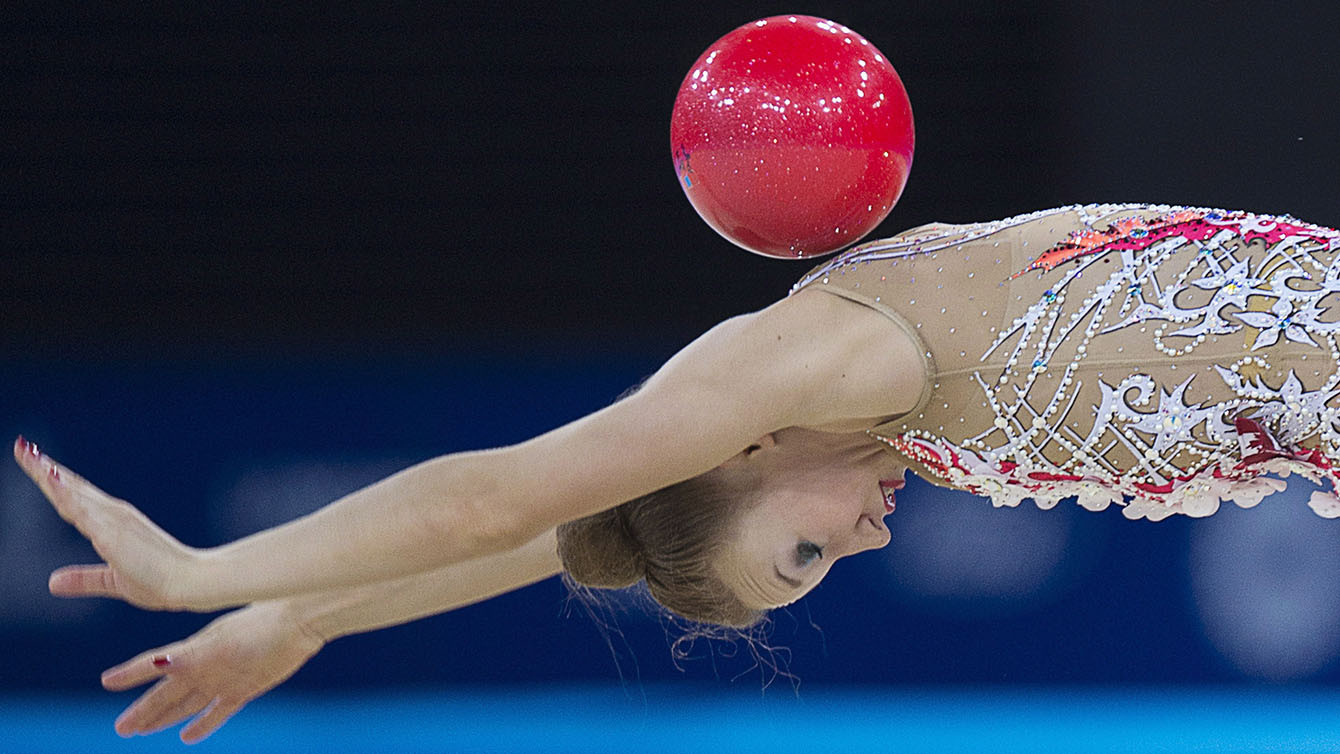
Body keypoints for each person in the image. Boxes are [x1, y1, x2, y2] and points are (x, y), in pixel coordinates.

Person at [19, 203, 1340, 742]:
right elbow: (553, 534)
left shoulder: (826, 360)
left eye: (803, 552)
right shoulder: (849, 416)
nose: (870, 541)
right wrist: (305, 617)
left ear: (739, 457)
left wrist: (204, 572)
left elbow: (502, 494)